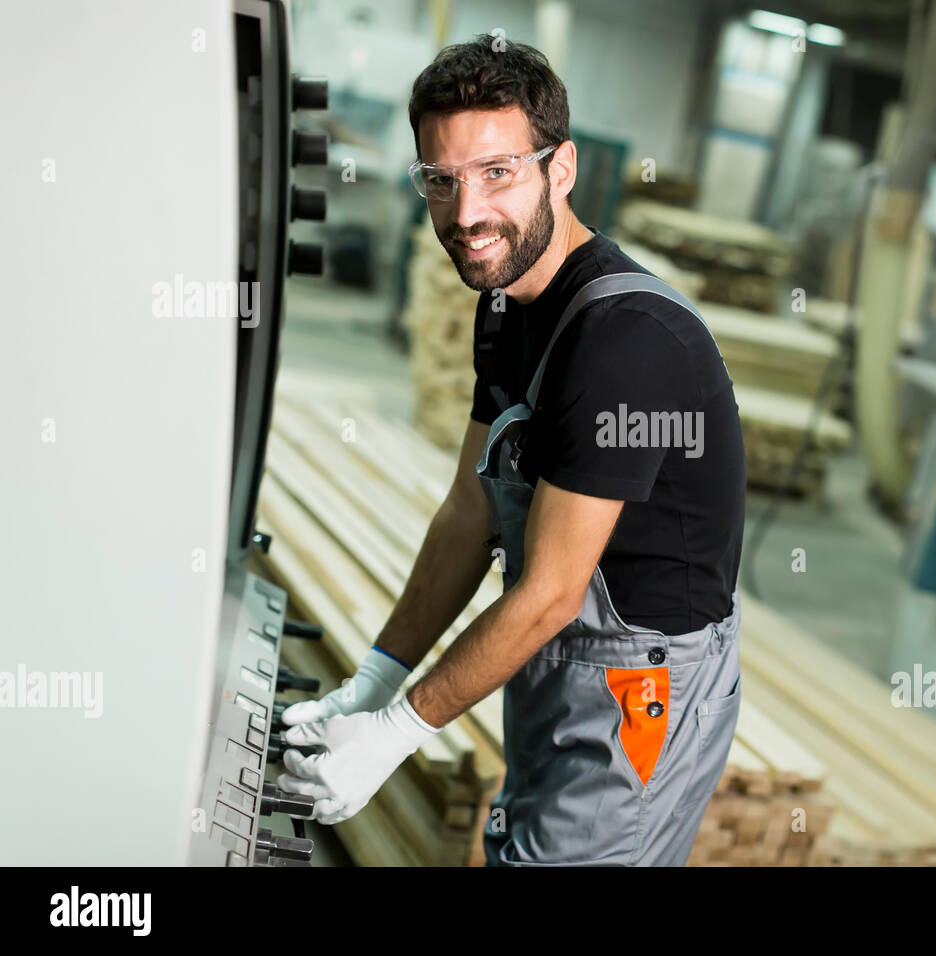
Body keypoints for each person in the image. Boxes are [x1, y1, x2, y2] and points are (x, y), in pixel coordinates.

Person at [277, 33, 746, 867]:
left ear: (559, 170)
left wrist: (396, 734)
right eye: (441, 181)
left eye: (498, 174)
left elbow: (552, 594)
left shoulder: (624, 342)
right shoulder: (504, 308)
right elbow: (469, 513)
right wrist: (376, 680)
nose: (466, 216)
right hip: (558, 662)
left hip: (639, 685)